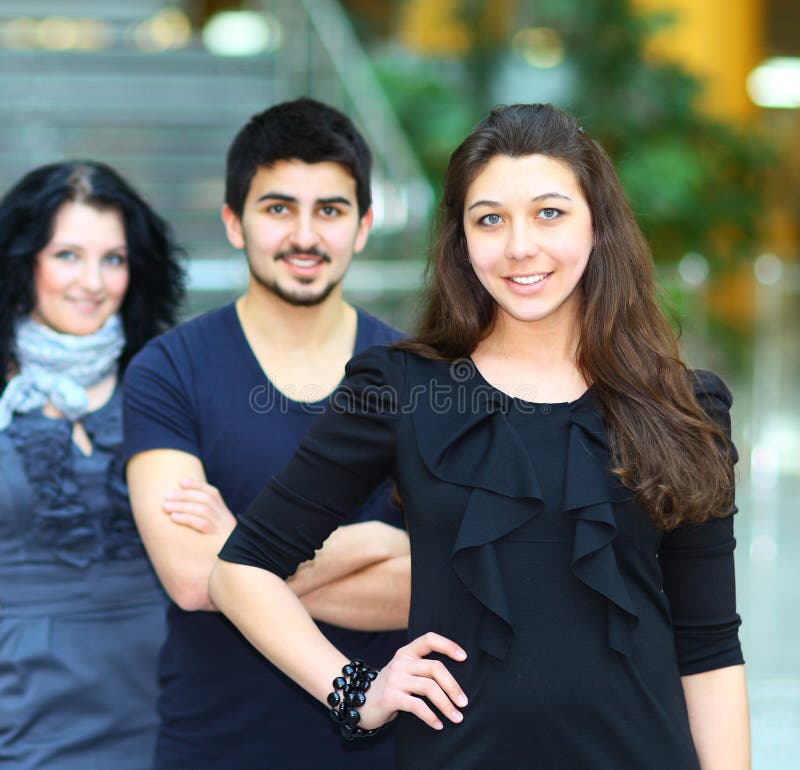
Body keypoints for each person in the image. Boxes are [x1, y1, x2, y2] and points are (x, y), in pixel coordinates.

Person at [210, 103, 751, 770]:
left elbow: (709, 648)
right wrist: (355, 689)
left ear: (597, 224)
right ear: (461, 240)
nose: (520, 246)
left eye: (549, 213)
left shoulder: (683, 405)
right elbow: (241, 570)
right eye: (489, 219)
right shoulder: (401, 387)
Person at [123, 97, 410, 770]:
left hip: (389, 751)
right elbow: (193, 581)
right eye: (278, 208)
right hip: (217, 744)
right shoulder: (171, 369)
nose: (305, 236)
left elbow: (429, 584)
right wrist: (372, 542)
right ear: (233, 221)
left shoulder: (418, 378)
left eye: (330, 211)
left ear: (363, 226)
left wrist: (240, 558)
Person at [0, 161, 184, 768]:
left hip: (168, 700)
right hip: (23, 711)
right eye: (67, 255)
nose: (93, 282)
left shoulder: (165, 381)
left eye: (113, 258)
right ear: (23, 260)